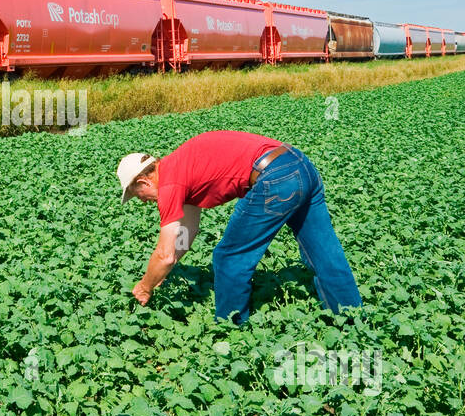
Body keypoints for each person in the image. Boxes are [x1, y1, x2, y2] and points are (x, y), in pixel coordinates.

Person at [116, 131, 362, 324]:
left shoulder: (169, 184)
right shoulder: (179, 166)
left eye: (139, 195)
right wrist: (163, 272)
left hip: (274, 178)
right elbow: (186, 234)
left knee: (229, 257)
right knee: (323, 251)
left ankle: (231, 328)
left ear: (144, 181)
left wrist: (145, 286)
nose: (144, 201)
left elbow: (165, 254)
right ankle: (350, 318)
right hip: (300, 165)